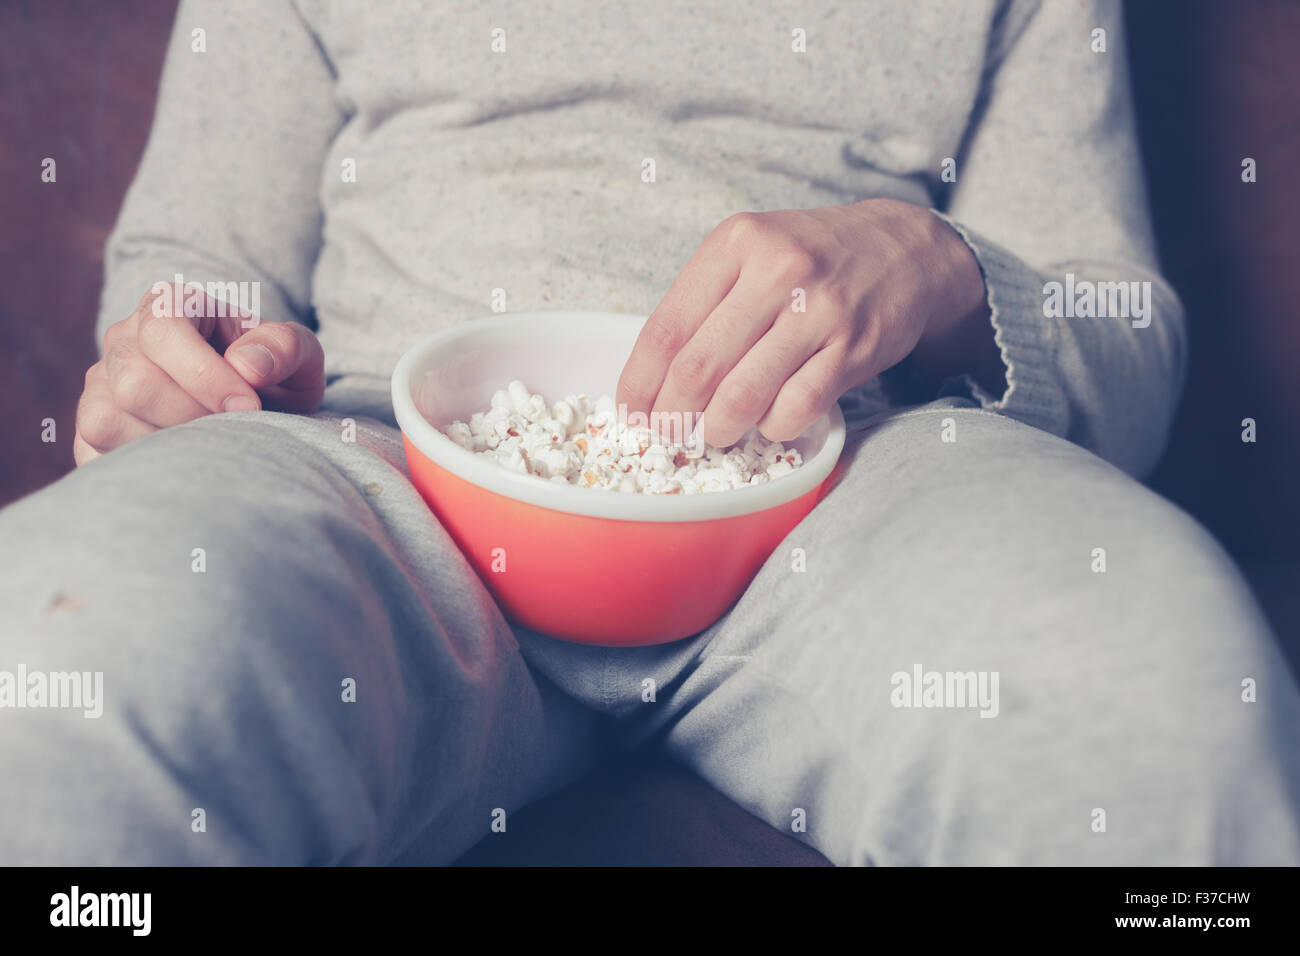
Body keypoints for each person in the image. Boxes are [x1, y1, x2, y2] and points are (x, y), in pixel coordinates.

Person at [2, 0, 1297, 865]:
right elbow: (197, 262)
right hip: (378, 465)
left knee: (1161, 704)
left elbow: (1123, 338)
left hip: (846, 478)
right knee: (49, 672)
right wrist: (188, 352)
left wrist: (948, 269)